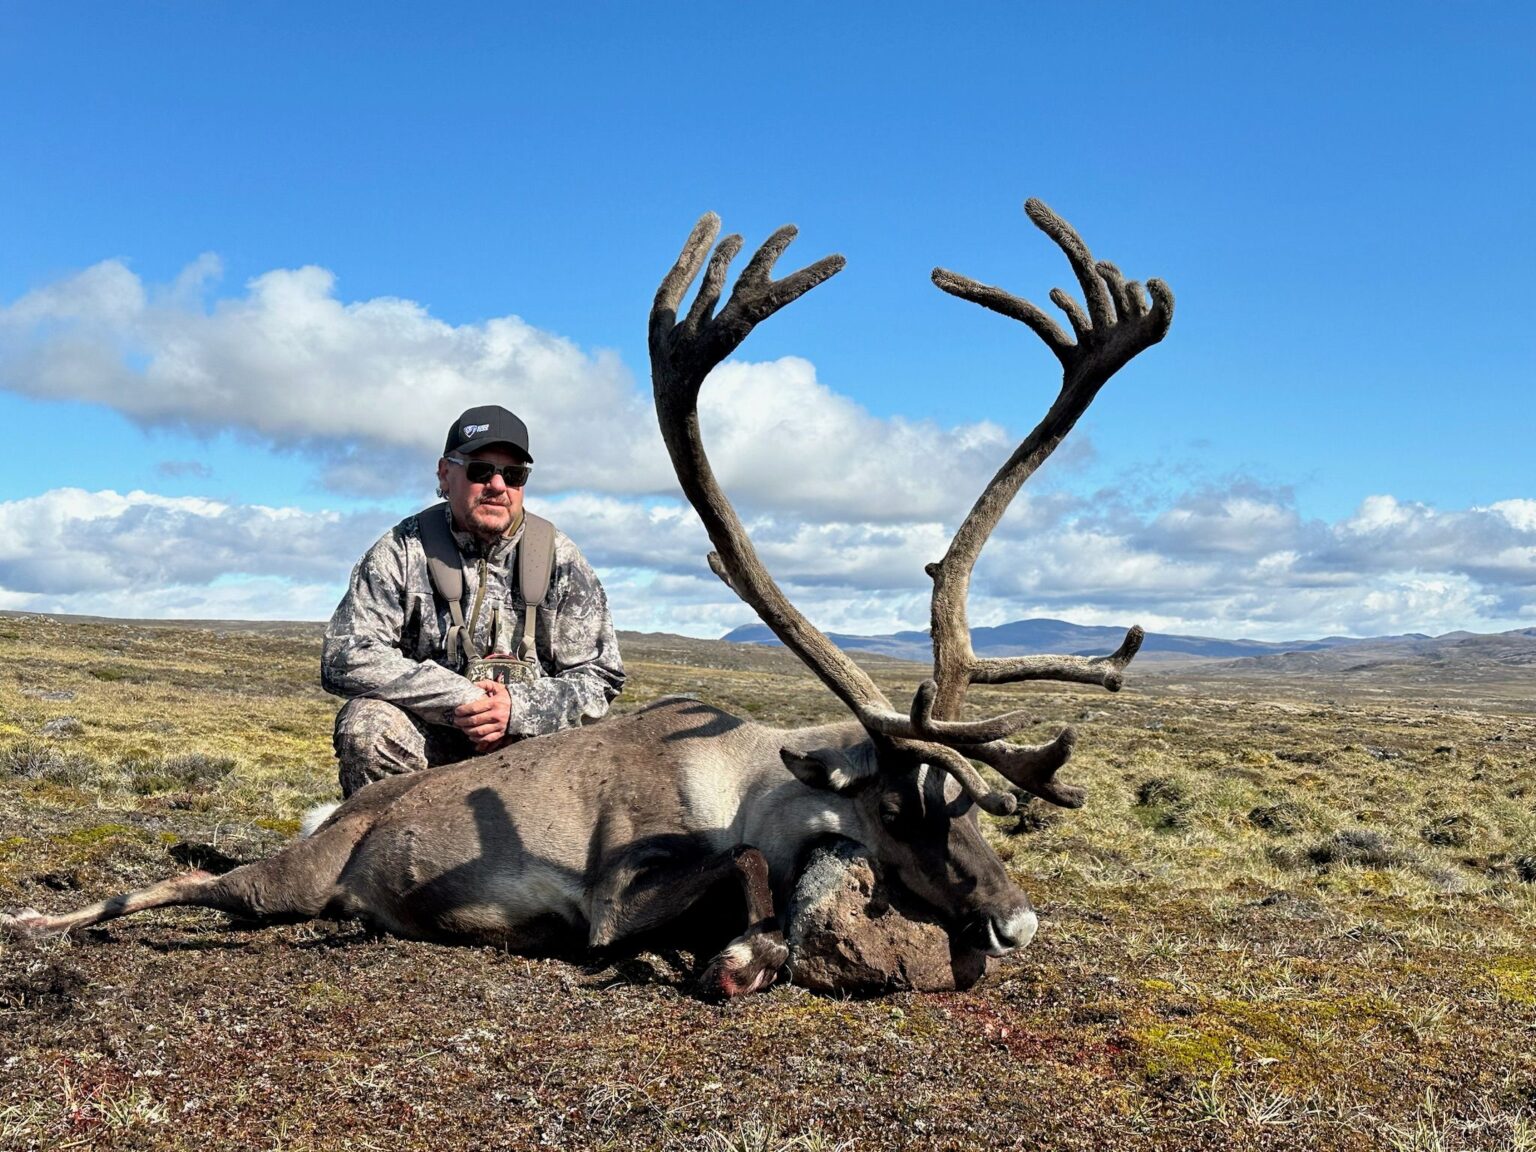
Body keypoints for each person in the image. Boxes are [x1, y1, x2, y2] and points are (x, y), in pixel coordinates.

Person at [322, 404, 625, 797]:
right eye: (481, 470)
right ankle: (388, 853)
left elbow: (600, 676)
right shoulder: (402, 550)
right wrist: (462, 700)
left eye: (514, 475)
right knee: (368, 729)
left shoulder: (560, 559)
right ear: (445, 474)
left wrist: (517, 710)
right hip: (435, 741)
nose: (498, 486)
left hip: (531, 747)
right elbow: (345, 655)